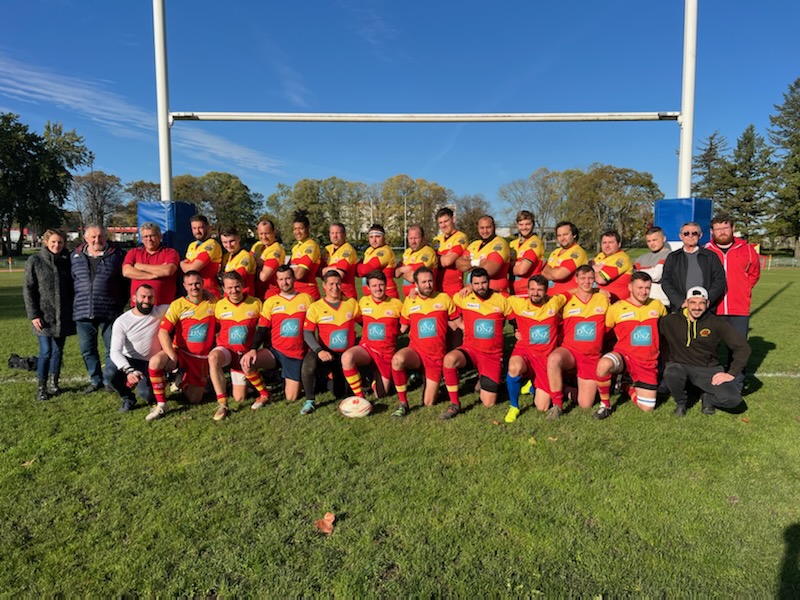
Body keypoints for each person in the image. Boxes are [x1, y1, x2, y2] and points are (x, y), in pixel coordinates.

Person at [659, 286, 750, 416]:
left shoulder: (717, 323)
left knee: (733, 400)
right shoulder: (670, 321)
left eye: (701, 303)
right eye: (693, 302)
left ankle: (708, 398)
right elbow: (653, 335)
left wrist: (731, 373)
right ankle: (681, 403)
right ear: (686, 303)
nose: (697, 307)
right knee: (672, 372)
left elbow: (742, 348)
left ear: (707, 304)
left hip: (708, 369)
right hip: (680, 366)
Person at [594, 271, 667, 420]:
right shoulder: (616, 308)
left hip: (647, 362)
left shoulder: (657, 305)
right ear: (630, 287)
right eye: (639, 287)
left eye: (647, 288)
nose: (644, 292)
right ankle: (605, 405)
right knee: (604, 365)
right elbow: (606, 333)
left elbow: (668, 328)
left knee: (647, 408)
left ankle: (625, 386)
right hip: (624, 356)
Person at [145, 271, 217, 421]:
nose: (194, 287)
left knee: (195, 399)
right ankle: (162, 404)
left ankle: (181, 381)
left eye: (197, 283)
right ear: (184, 286)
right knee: (155, 362)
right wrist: (172, 356)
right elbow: (163, 332)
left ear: (203, 284)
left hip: (201, 357)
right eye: (190, 284)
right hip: (181, 351)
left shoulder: (213, 302)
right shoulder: (178, 304)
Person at [442, 268, 512, 419]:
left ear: (489, 282)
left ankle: (484, 378)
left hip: (492, 356)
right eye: (476, 284)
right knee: (449, 359)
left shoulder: (502, 299)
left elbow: (515, 318)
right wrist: (460, 324)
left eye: (484, 282)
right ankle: (454, 403)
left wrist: (519, 331)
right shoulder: (462, 298)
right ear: (471, 285)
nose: (481, 287)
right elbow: (443, 305)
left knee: (488, 403)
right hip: (470, 350)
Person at [391, 266, 459, 416]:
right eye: (423, 282)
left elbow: (457, 323)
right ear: (416, 284)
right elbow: (402, 328)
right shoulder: (410, 301)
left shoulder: (444, 298)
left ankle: (432, 380)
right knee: (397, 360)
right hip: (415, 351)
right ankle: (403, 403)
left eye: (430, 281)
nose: (428, 285)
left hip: (436, 356)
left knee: (428, 403)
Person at [241, 265, 313, 407]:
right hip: (275, 351)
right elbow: (261, 329)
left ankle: (307, 376)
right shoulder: (271, 302)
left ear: (293, 279)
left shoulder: (306, 299)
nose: (284, 282)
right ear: (277, 281)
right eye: (281, 279)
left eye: (287, 278)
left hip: (296, 354)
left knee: (291, 397)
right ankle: (264, 394)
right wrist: (253, 349)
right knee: (246, 362)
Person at [546, 265, 609, 419]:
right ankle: (557, 405)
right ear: (576, 279)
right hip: (570, 351)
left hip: (591, 356)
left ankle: (562, 386)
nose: (587, 282)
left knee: (585, 404)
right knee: (554, 359)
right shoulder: (566, 300)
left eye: (590, 279)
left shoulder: (603, 298)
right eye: (583, 278)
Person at [69, 225, 127, 393]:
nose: (97, 240)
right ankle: (95, 380)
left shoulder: (118, 255)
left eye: (100, 236)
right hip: (82, 310)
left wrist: (119, 302)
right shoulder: (75, 256)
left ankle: (110, 380)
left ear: (105, 237)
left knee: (112, 348)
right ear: (86, 238)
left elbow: (125, 283)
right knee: (87, 349)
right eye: (93, 237)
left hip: (110, 310)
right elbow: (71, 283)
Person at [705, 213, 761, 389]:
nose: (722, 232)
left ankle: (736, 384)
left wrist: (742, 289)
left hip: (739, 308)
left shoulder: (747, 250)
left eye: (725, 228)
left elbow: (754, 274)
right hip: (714, 308)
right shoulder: (706, 250)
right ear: (712, 231)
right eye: (718, 229)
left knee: (737, 347)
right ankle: (709, 384)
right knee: (710, 347)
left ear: (733, 228)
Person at [504, 274, 566, 423]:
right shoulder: (518, 303)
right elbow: (494, 295)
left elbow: (574, 292)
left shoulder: (555, 302)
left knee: (542, 407)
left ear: (546, 291)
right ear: (528, 290)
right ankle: (514, 406)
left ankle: (532, 385)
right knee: (514, 367)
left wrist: (598, 290)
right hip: (524, 351)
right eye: (532, 289)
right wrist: (467, 289)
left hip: (544, 358)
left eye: (539, 290)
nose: (535, 293)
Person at [23, 228, 75, 400]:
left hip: (63, 315)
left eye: (60, 242)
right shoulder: (35, 260)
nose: (56, 245)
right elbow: (29, 289)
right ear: (46, 242)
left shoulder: (67, 261)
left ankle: (54, 383)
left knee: (58, 351)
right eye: (53, 241)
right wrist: (34, 315)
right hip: (43, 316)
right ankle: (41, 386)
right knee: (46, 351)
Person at [207, 272, 267, 421]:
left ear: (242, 285)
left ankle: (253, 384)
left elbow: (264, 329)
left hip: (246, 354)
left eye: (237, 286)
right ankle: (222, 404)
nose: (234, 291)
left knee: (240, 398)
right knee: (213, 357)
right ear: (224, 289)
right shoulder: (219, 305)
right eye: (230, 288)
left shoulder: (256, 303)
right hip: (227, 351)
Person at [300, 270, 361, 414]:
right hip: (325, 353)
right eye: (331, 284)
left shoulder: (351, 303)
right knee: (308, 364)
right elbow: (307, 333)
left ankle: (326, 380)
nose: (335, 287)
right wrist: (319, 350)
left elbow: (366, 324)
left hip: (346, 355)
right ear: (324, 286)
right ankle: (310, 400)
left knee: (340, 393)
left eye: (338, 284)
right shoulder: (316, 307)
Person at [342, 270, 403, 399]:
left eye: (381, 285)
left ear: (386, 285)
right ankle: (360, 397)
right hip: (367, 348)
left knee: (381, 394)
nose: (378, 288)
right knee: (347, 357)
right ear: (368, 287)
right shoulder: (363, 302)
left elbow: (405, 325)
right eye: (374, 286)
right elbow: (358, 319)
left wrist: (394, 334)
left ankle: (373, 378)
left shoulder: (397, 304)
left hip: (386, 352)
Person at [108, 284, 167, 412]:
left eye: (150, 297)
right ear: (134, 298)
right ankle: (127, 398)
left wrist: (206, 294)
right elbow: (115, 351)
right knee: (109, 374)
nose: (146, 300)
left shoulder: (161, 311)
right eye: (143, 296)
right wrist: (129, 371)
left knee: (146, 394)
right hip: (129, 360)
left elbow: (183, 304)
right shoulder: (122, 321)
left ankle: (154, 386)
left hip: (150, 363)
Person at [661, 222, 725, 312]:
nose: (690, 236)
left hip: (706, 309)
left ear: (700, 235)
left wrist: (706, 300)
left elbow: (720, 281)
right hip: (681, 309)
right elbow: (666, 282)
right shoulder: (673, 257)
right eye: (686, 233)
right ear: (681, 236)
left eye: (694, 233)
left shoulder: (710, 256)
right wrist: (680, 302)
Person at [122, 222, 180, 306]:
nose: (149, 239)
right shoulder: (134, 252)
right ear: (142, 239)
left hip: (163, 307)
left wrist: (140, 266)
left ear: (160, 236)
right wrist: (153, 275)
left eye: (152, 235)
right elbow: (126, 271)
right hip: (138, 307)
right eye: (146, 236)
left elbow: (168, 270)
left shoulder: (170, 252)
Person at [456, 215, 511, 295]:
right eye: (482, 228)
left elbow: (490, 269)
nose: (485, 231)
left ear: (494, 227)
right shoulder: (474, 244)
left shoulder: (499, 243)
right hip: (473, 293)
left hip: (495, 294)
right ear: (478, 228)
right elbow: (459, 264)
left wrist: (469, 264)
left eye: (488, 227)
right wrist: (478, 263)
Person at [542, 221, 588, 296]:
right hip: (552, 299)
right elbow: (543, 273)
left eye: (565, 234)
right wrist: (551, 272)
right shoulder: (555, 252)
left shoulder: (577, 252)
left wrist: (549, 270)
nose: (562, 238)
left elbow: (559, 275)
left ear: (574, 235)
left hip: (569, 299)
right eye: (559, 235)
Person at [181, 214, 222, 298]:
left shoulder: (211, 244)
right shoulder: (192, 245)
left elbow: (192, 269)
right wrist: (188, 266)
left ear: (208, 228)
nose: (197, 231)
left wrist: (182, 263)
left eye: (200, 228)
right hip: (193, 291)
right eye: (194, 228)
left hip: (209, 291)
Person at [432, 207, 468, 297]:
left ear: (453, 219)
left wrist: (437, 259)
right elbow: (430, 261)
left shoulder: (460, 237)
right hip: (436, 288)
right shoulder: (436, 240)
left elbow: (448, 261)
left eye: (446, 221)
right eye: (440, 223)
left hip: (454, 290)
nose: (443, 225)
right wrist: (444, 258)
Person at [357, 224, 399, 298]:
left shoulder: (385, 251)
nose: (374, 240)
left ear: (384, 238)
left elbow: (365, 270)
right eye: (371, 237)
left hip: (386, 293)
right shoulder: (369, 250)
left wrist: (358, 268)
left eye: (378, 237)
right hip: (372, 293)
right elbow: (357, 272)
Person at [509, 210, 545, 298]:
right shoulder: (512, 244)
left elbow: (522, 270)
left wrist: (508, 266)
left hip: (529, 292)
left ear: (533, 224)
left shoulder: (535, 243)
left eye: (528, 224)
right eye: (521, 224)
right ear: (517, 225)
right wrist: (516, 264)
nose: (524, 227)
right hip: (512, 291)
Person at [633, 226, 671, 308]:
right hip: (642, 302)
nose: (652, 243)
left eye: (654, 240)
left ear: (663, 239)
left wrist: (639, 271)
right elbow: (633, 276)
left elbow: (656, 275)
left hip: (662, 302)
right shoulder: (641, 257)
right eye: (648, 241)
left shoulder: (669, 255)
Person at [396, 225, 438, 298]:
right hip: (409, 298)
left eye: (416, 238)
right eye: (411, 238)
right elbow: (395, 273)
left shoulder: (428, 252)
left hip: (424, 297)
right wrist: (401, 270)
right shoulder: (407, 252)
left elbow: (413, 277)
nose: (413, 241)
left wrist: (401, 270)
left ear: (422, 238)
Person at [592, 230, 633, 302]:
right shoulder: (601, 255)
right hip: (600, 301)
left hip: (617, 302)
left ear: (619, 244)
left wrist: (593, 268)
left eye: (610, 242)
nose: (607, 246)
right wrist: (596, 268)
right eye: (604, 243)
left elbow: (601, 279)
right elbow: (585, 270)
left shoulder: (622, 258)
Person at [289, 210, 321, 300]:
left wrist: (292, 271)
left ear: (308, 228)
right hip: (295, 291)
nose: (297, 232)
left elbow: (299, 274)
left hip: (308, 291)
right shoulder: (295, 247)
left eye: (301, 228)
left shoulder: (311, 246)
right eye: (295, 229)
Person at [250, 217, 285, 300]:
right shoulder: (257, 245)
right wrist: (259, 264)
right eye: (261, 234)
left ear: (274, 232)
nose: (264, 237)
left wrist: (254, 265)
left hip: (270, 294)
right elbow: (248, 262)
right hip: (256, 293)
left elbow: (264, 276)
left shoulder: (276, 249)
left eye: (267, 233)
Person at [321, 222, 358, 299]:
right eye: (332, 233)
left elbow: (340, 274)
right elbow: (317, 272)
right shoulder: (327, 250)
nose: (335, 236)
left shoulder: (347, 250)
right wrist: (333, 268)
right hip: (329, 295)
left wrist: (325, 269)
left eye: (338, 233)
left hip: (346, 295)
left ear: (344, 235)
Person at [219, 225, 256, 298]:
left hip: (245, 299)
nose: (228, 245)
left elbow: (237, 277)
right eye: (225, 242)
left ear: (238, 238)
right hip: (229, 299)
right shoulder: (226, 257)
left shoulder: (245, 256)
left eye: (231, 241)